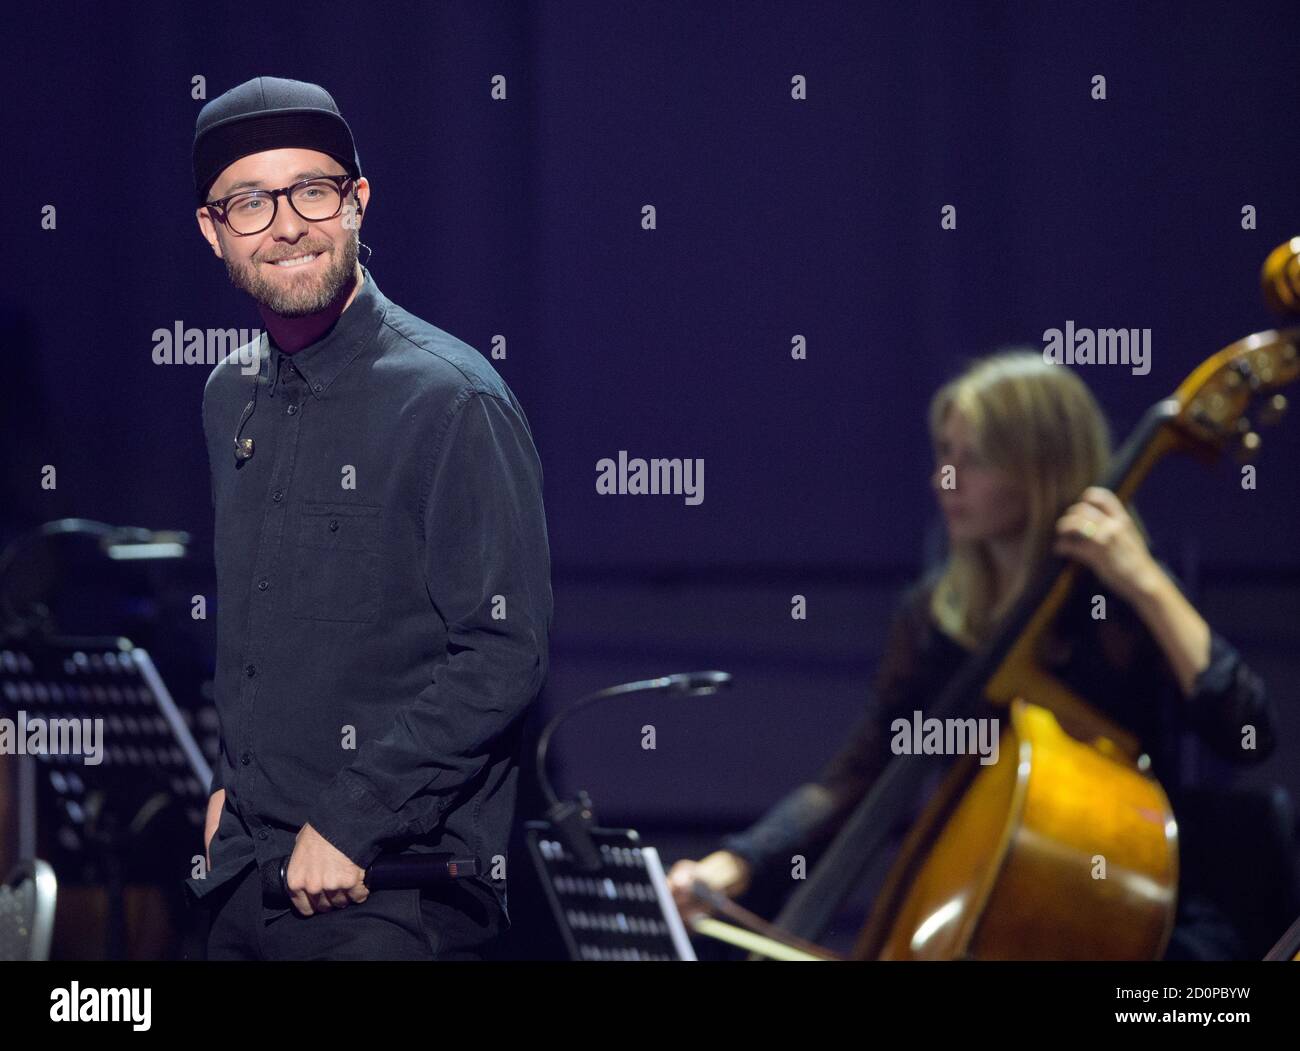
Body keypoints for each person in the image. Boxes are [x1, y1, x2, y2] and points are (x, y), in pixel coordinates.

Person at [668, 351, 1277, 960]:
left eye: (974, 458)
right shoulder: (937, 616)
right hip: (1001, 919)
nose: (945, 479)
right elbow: (859, 776)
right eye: (944, 453)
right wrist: (736, 864)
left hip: (1146, 919)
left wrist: (1144, 581)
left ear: (1041, 468)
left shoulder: (1119, 602)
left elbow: (1246, 730)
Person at [182, 77, 553, 960]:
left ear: (356, 202)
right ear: (212, 229)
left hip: (392, 891)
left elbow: (504, 650)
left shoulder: (452, 399)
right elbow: (259, 632)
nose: (286, 223)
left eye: (312, 190)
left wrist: (353, 821)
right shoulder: (227, 392)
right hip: (245, 877)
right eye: (250, 202)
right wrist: (226, 785)